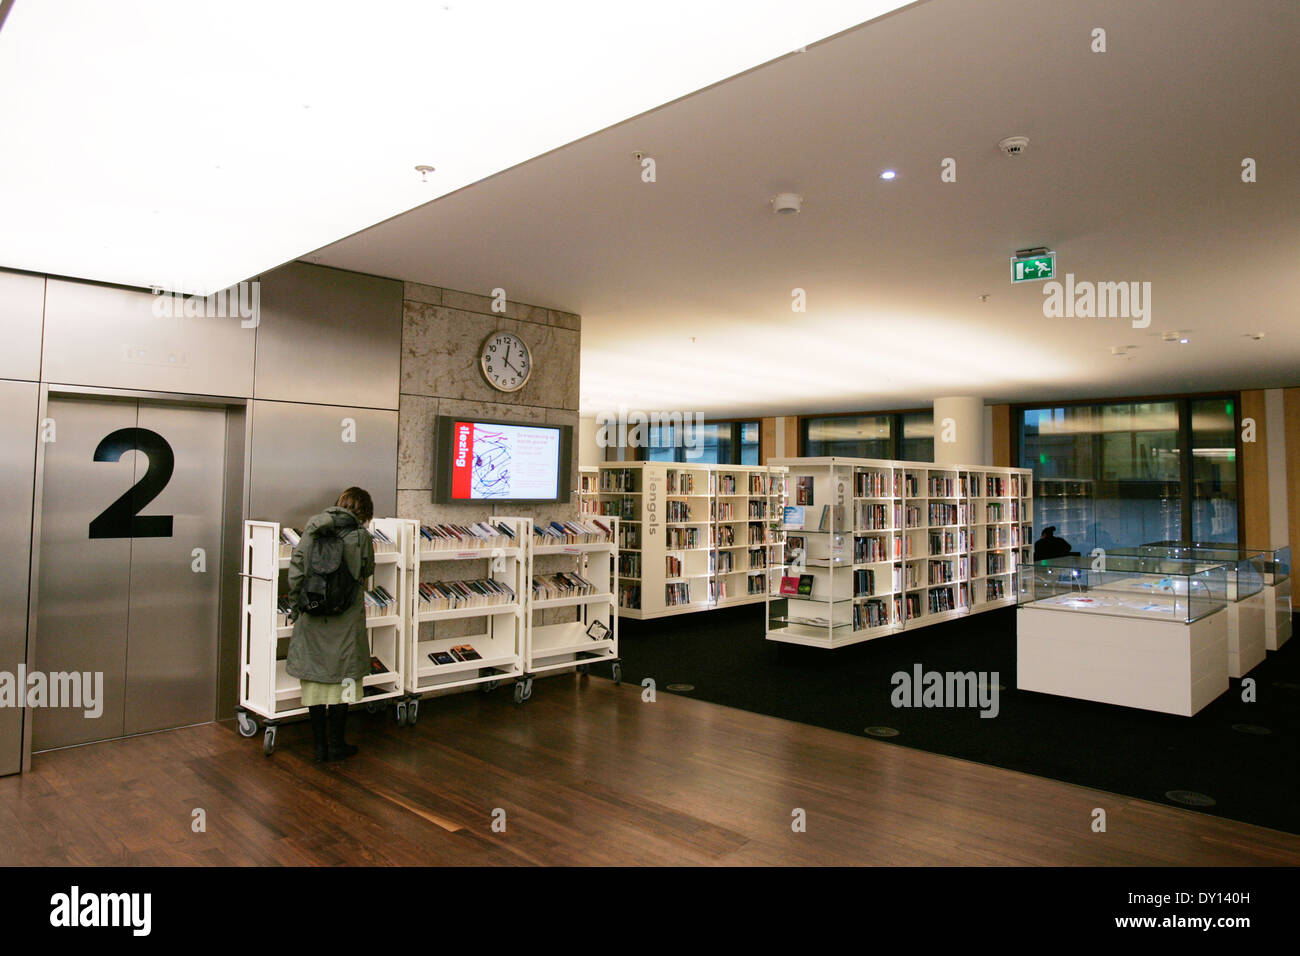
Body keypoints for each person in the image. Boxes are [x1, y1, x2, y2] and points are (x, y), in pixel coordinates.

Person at [285, 487, 375, 762]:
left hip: (313, 613)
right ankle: (337, 744)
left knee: (314, 677)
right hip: (346, 616)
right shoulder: (361, 536)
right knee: (343, 675)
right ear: (365, 512)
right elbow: (367, 570)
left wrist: (297, 604)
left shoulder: (312, 530)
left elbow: (296, 569)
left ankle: (319, 746)